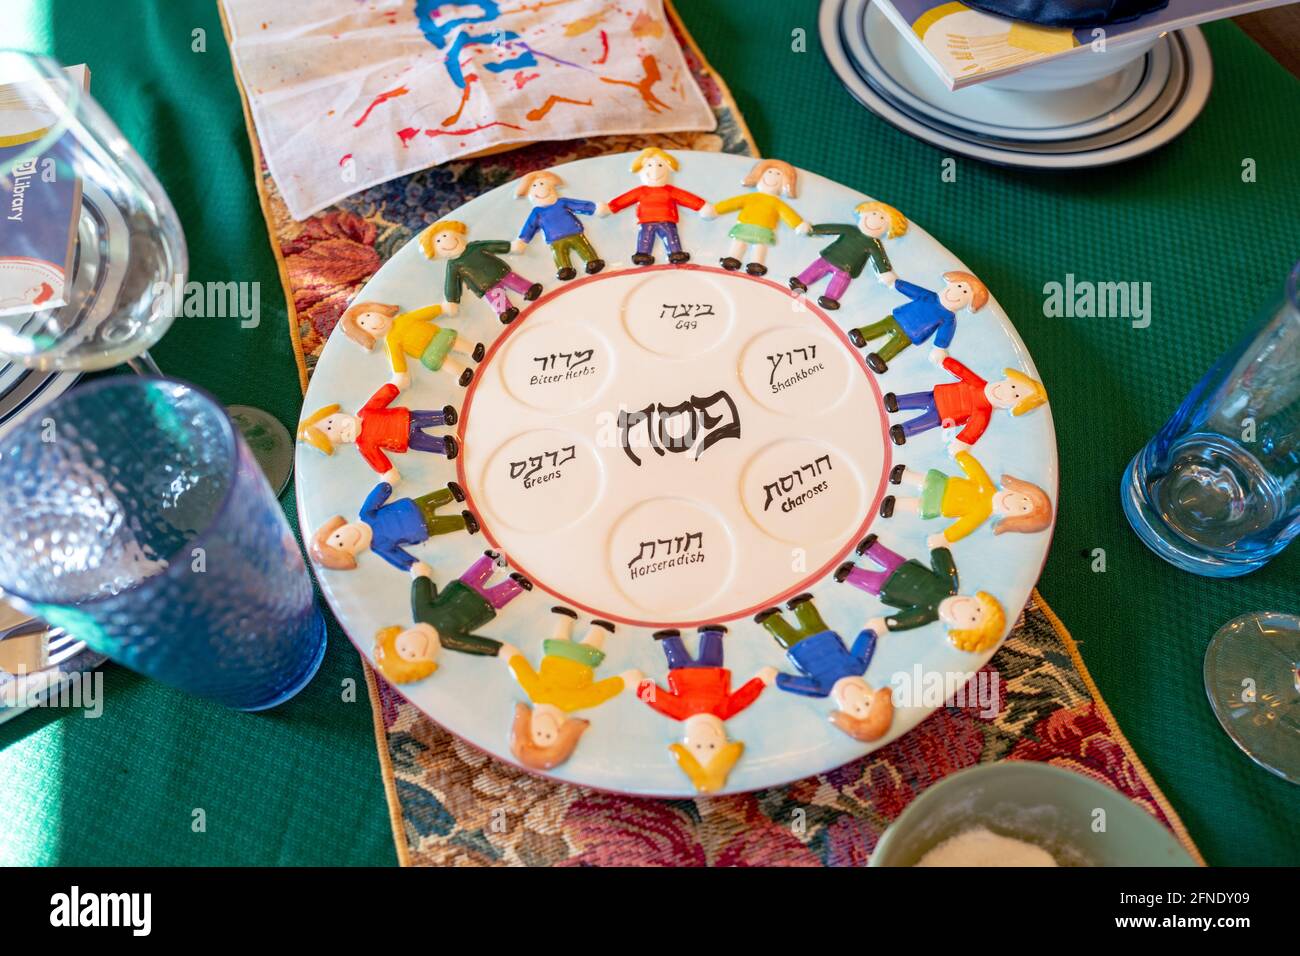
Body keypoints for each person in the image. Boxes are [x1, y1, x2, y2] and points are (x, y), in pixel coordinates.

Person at [636, 626, 776, 793]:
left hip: (682, 674)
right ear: (724, 743)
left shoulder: (680, 711)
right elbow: (743, 697)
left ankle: (670, 640)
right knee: (712, 653)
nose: (704, 738)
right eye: (711, 746)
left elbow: (657, 699)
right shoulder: (724, 710)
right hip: (713, 672)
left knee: (677, 658)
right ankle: (712, 634)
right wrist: (761, 681)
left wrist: (639, 684)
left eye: (698, 746)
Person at [500, 607, 642, 770]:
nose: (544, 731)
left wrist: (508, 654)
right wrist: (624, 681)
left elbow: (523, 671)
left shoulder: (535, 692)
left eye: (537, 733)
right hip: (582, 661)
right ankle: (598, 628)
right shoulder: (573, 702)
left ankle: (566, 618)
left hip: (555, 654)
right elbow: (599, 692)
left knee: (560, 635)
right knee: (591, 642)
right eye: (548, 736)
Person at [755, 596, 894, 742]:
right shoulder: (857, 667)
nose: (858, 702)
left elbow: (796, 684)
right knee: (813, 622)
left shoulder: (822, 688)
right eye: (867, 703)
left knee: (785, 634)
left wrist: (776, 678)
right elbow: (863, 647)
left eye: (857, 710)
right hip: (824, 637)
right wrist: (871, 632)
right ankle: (802, 605)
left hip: (800, 650)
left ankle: (771, 620)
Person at [834, 534, 1005, 652]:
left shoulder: (927, 613)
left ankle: (850, 574)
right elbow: (944, 566)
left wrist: (885, 624)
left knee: (871, 581)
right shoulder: (949, 585)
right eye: (978, 609)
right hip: (906, 568)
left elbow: (907, 620)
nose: (969, 610)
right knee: (890, 558)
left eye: (972, 618)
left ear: (958, 629)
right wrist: (939, 548)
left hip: (890, 588)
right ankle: (872, 548)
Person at [371, 558, 509, 684]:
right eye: (412, 655)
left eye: (403, 648)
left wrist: (421, 576)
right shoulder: (449, 639)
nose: (411, 648)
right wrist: (499, 649)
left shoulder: (422, 613)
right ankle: (514, 583)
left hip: (460, 589)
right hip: (483, 607)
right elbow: (473, 644)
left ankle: (494, 560)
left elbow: (421, 594)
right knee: (502, 592)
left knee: (477, 574)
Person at [882, 451, 1053, 546]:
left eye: (1022, 509)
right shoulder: (987, 487)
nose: (1017, 502)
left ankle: (896, 504)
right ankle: (903, 475)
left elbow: (964, 526)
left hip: (942, 505)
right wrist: (961, 456)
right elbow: (975, 470)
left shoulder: (983, 512)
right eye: (1023, 499)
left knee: (920, 506)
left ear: (1014, 520)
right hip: (947, 485)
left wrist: (945, 537)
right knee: (924, 480)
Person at [297, 383, 458, 483]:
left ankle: (443, 417)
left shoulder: (366, 412)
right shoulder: (363, 445)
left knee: (423, 417)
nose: (337, 426)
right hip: (404, 440)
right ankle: (443, 446)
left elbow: (380, 398)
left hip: (406, 418)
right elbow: (377, 459)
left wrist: (394, 386)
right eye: (329, 431)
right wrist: (387, 472)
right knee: (423, 443)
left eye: (330, 422)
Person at [310, 481, 478, 572]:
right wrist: (411, 565)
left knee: (428, 501)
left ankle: (451, 494)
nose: (344, 537)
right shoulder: (379, 545)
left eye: (338, 536)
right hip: (419, 528)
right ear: (350, 553)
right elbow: (395, 555)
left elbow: (375, 499)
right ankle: (463, 521)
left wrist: (386, 485)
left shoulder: (366, 515)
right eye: (341, 544)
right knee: (440, 525)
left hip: (409, 507)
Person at [884, 356, 1046, 448]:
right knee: (919, 398)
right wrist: (945, 361)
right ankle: (897, 402)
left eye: (1015, 395)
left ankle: (904, 431)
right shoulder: (978, 383)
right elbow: (962, 371)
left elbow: (974, 429)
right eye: (1012, 386)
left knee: (925, 422)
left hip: (942, 415)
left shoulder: (983, 411)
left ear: (1013, 406)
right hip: (938, 395)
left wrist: (962, 442)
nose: (1008, 391)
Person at [849, 271, 988, 374]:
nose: (958, 293)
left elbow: (944, 334)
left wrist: (939, 348)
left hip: (911, 334)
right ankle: (862, 334)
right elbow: (913, 290)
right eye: (959, 287)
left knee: (897, 344)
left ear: (968, 304)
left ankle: (880, 358)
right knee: (882, 326)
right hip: (899, 318)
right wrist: (895, 283)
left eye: (965, 293)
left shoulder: (948, 318)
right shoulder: (929, 296)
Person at [339, 300, 483, 390]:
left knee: (454, 341)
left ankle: (473, 350)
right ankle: (462, 372)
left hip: (438, 335)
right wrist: (400, 374)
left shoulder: (403, 318)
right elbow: (397, 359)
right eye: (364, 324)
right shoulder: (391, 341)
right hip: (428, 352)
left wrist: (442, 308)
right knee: (440, 361)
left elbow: (423, 313)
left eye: (369, 315)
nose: (373, 320)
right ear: (365, 334)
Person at [789, 200, 907, 310]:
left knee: (840, 281)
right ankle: (801, 281)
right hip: (831, 256)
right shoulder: (850, 230)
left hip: (847, 268)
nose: (874, 220)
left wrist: (885, 272)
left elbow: (879, 258)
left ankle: (830, 298)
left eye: (882, 218)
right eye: (874, 214)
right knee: (817, 268)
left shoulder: (873, 244)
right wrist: (812, 229)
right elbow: (831, 229)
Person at [607, 147, 714, 265]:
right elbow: (626, 199)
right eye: (649, 166)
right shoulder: (641, 191)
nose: (655, 171)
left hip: (667, 220)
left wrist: (701, 206)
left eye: (660, 166)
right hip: (646, 221)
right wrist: (611, 207)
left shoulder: (669, 190)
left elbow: (685, 197)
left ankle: (675, 253)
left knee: (671, 236)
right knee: (645, 237)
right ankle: (643, 254)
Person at [420, 220, 541, 324]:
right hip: (484, 285)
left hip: (500, 271)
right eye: (438, 241)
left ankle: (529, 289)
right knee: (496, 296)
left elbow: (491, 246)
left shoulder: (474, 247)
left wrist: (510, 247)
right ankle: (505, 312)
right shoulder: (453, 265)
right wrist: (451, 300)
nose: (445, 241)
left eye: (445, 236)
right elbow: (452, 283)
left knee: (514, 280)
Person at [710, 158, 811, 276]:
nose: (772, 176)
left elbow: (787, 214)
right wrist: (716, 209)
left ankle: (756, 264)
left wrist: (798, 224)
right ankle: (733, 258)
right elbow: (733, 203)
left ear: (786, 183)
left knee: (759, 246)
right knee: (739, 241)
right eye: (769, 172)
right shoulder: (751, 197)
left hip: (763, 229)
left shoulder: (776, 202)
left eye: (778, 174)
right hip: (745, 225)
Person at [511, 170, 607, 280]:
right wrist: (522, 240)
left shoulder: (562, 202)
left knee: (582, 246)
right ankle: (565, 269)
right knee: (559, 253)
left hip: (573, 232)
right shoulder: (537, 212)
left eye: (542, 184)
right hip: (555, 239)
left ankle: (592, 261)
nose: (540, 189)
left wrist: (594, 208)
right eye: (534, 186)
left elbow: (578, 205)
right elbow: (530, 226)